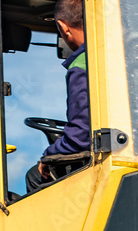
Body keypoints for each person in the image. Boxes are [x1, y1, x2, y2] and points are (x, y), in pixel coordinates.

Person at [25, 0, 89, 193]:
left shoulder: (83, 64)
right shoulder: (117, 52)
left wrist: (49, 155)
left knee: (35, 176)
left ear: (63, 27)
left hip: (104, 153)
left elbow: (81, 135)